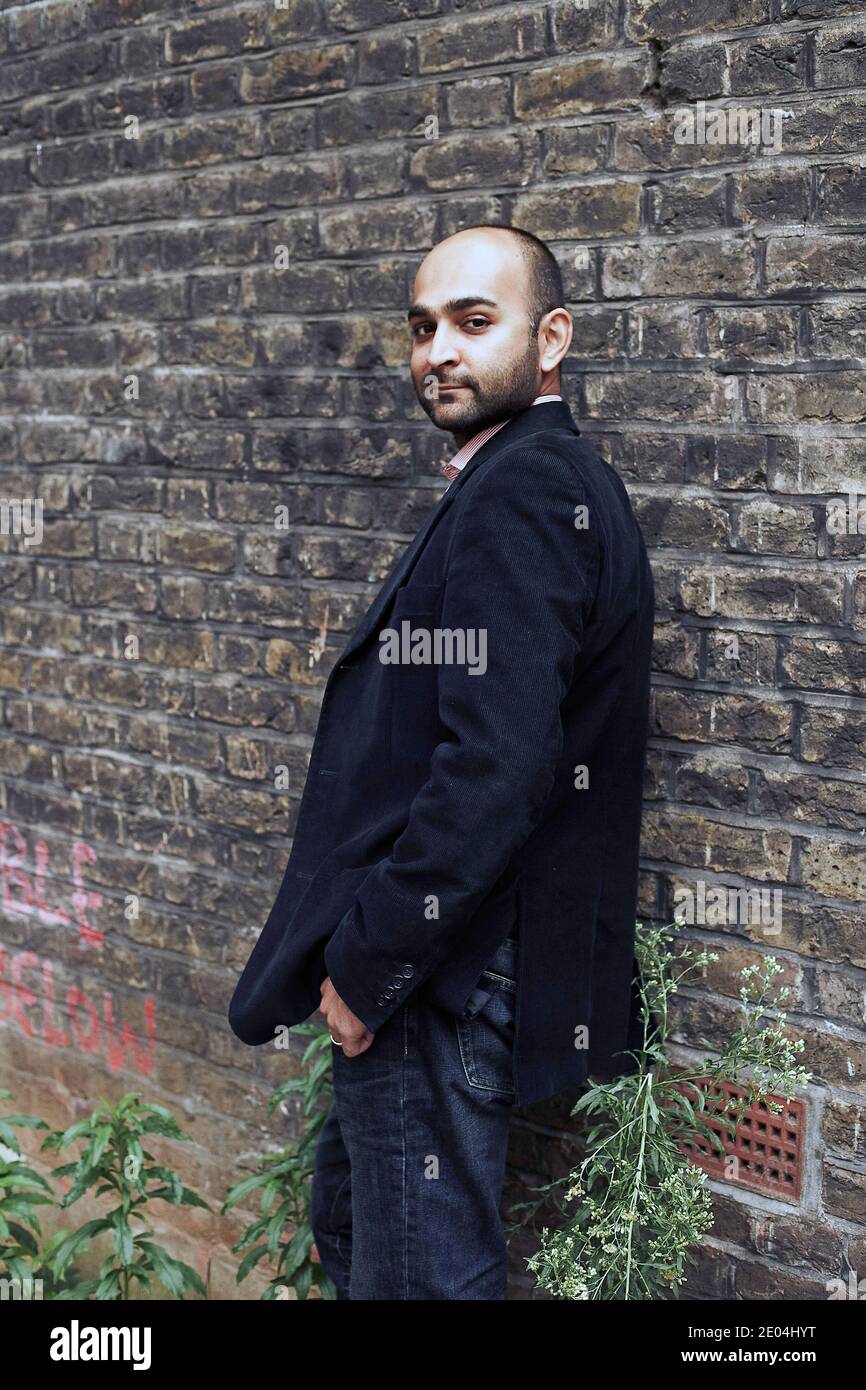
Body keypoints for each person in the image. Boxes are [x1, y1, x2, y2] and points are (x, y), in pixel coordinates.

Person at [228, 224, 655, 1299]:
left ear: (549, 336)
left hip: (443, 973)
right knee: (357, 1234)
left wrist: (369, 966)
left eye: (473, 321)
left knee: (422, 1278)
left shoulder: (523, 489)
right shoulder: (529, 479)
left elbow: (497, 765)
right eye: (422, 328)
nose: (437, 352)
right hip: (455, 964)